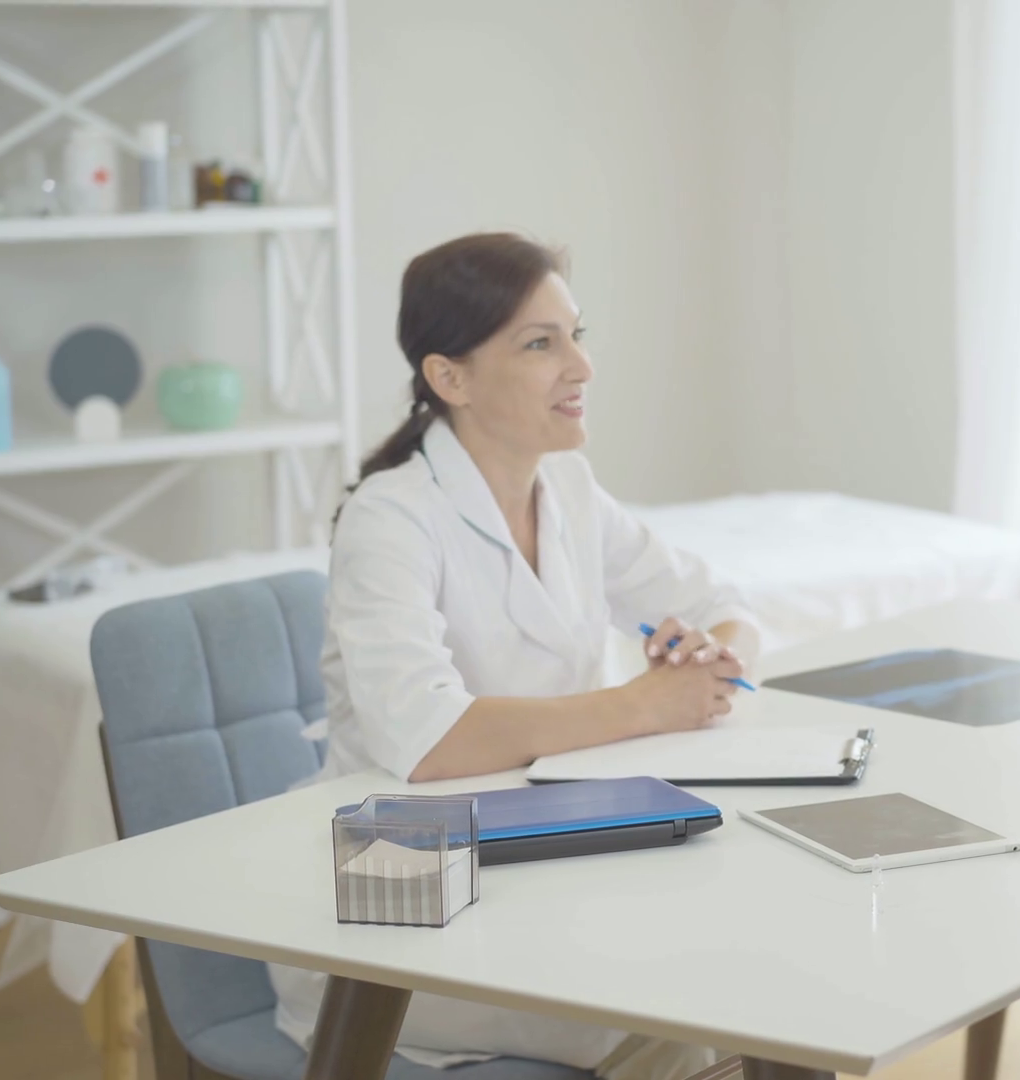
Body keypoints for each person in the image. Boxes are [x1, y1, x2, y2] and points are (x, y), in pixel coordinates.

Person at [272, 233, 759, 1079]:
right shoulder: (390, 520)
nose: (582, 366)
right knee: (692, 1000)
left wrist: (715, 654)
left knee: (743, 969)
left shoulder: (567, 487)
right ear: (448, 377)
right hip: (398, 898)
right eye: (541, 344)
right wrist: (647, 703)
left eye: (577, 334)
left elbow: (724, 608)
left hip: (543, 860)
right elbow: (431, 740)